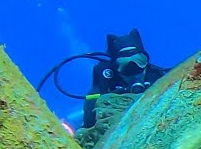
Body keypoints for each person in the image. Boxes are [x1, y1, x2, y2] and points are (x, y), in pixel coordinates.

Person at [36, 28, 169, 128]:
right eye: (124, 64)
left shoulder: (157, 75)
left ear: (146, 60)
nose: (133, 69)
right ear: (114, 65)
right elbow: (90, 114)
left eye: (139, 61)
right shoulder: (106, 79)